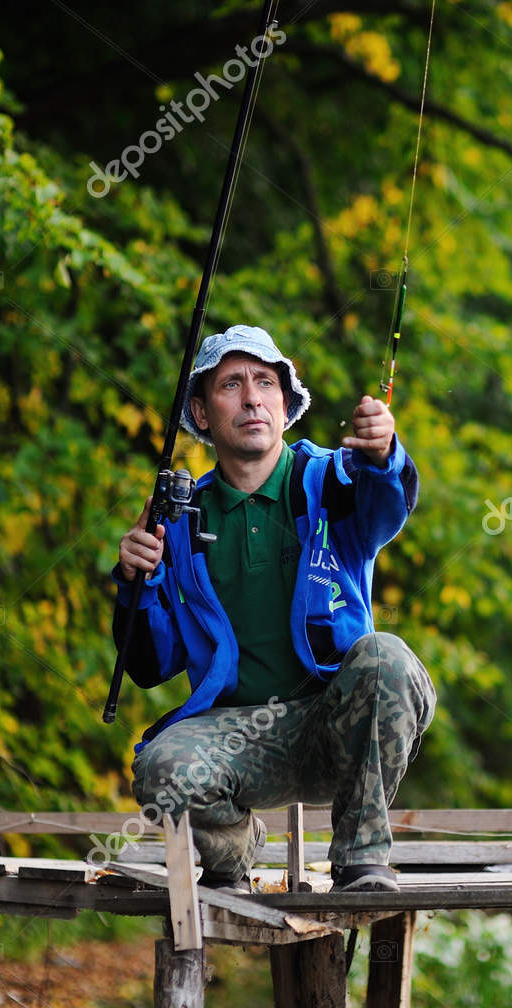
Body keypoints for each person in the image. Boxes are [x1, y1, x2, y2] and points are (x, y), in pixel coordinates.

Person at [112, 324, 436, 892]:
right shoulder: (180, 520)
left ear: (286, 407)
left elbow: (386, 504)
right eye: (231, 384)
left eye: (265, 382)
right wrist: (134, 579)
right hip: (236, 737)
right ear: (201, 412)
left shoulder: (331, 478)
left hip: (334, 721)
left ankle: (361, 859)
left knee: (387, 657)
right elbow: (147, 664)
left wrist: (385, 453)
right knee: (162, 770)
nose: (252, 398)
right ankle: (236, 849)